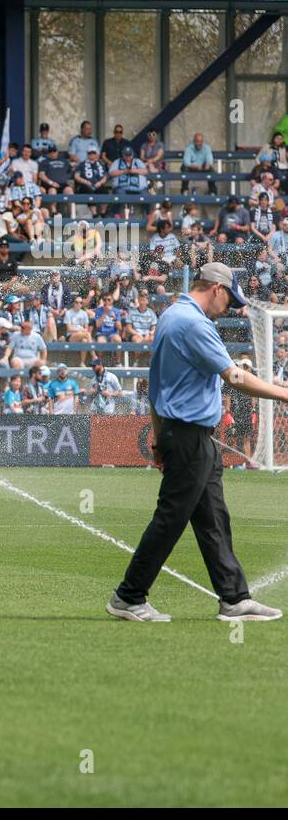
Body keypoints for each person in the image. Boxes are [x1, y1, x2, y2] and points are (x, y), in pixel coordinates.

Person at [109, 262, 286, 623]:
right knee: (171, 518)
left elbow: (154, 388)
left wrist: (159, 439)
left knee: (212, 519)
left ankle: (234, 599)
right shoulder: (193, 323)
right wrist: (285, 394)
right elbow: (235, 377)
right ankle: (129, 596)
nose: (229, 309)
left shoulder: (171, 316)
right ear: (217, 289)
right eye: (229, 300)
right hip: (189, 436)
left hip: (187, 436)